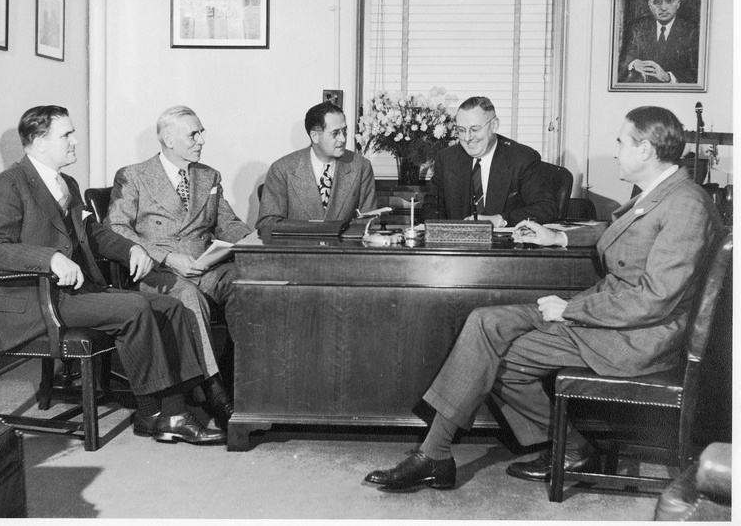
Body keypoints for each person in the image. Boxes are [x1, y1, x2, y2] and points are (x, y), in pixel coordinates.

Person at [364, 106, 721, 490]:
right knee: (487, 324)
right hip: (615, 319)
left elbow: (655, 298)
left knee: (495, 357)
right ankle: (461, 453)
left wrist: (571, 308)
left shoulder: (686, 205)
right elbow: (621, 232)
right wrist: (561, 235)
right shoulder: (661, 193)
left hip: (637, 337)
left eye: (621, 142)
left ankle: (443, 454)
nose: (615, 150)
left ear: (646, 149)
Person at [0, 106, 224, 446]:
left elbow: (94, 234)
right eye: (66, 135)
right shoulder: (9, 184)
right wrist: (49, 258)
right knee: (136, 308)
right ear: (38, 142)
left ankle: (165, 413)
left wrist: (134, 250)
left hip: (74, 293)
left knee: (170, 306)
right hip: (35, 300)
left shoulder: (66, 183)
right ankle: (158, 411)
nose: (75, 141)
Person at [106, 105, 252, 431]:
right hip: (159, 270)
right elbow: (116, 229)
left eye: (202, 132)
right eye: (194, 134)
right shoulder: (134, 176)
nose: (202, 140)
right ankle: (217, 395)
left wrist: (254, 243)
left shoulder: (208, 176)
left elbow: (226, 223)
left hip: (206, 266)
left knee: (248, 285)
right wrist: (169, 258)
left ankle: (246, 382)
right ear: (168, 139)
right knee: (187, 298)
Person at [423, 96, 557, 227]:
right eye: (461, 130)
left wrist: (500, 220)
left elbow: (545, 208)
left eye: (475, 129)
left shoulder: (522, 158)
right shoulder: (447, 159)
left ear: (494, 125)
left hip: (505, 246)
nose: (468, 138)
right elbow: (431, 208)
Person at [256, 102, 377, 232]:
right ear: (315, 136)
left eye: (344, 131)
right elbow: (268, 223)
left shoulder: (361, 166)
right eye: (335, 133)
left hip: (344, 250)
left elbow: (369, 222)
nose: (343, 139)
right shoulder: (281, 170)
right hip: (297, 251)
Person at [618, 0, 699, 84]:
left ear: (678, 3)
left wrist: (667, 77)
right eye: (657, 2)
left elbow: (698, 75)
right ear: (650, 5)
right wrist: (633, 64)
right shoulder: (637, 27)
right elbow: (622, 65)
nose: (663, 8)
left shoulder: (692, 30)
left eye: (669, 1)